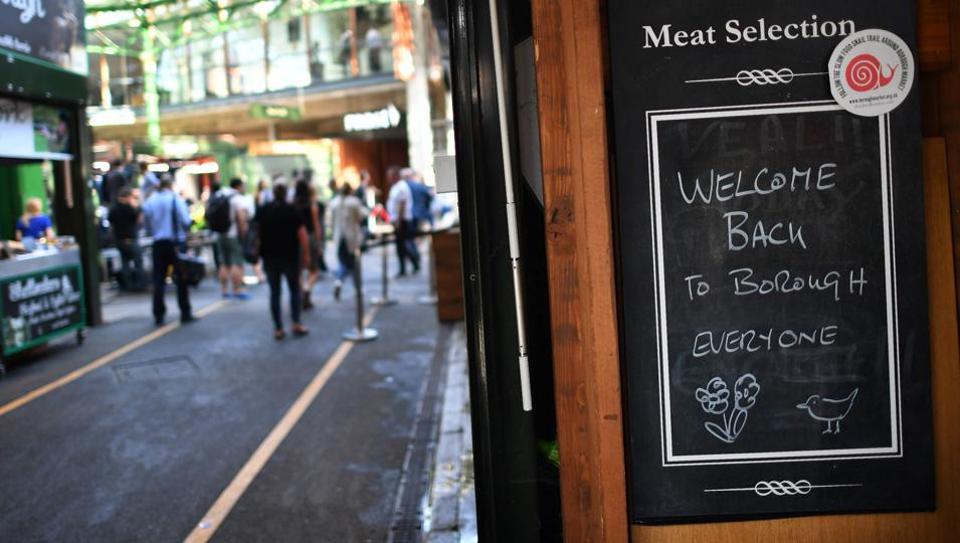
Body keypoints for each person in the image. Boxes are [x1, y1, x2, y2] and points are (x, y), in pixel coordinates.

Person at [258, 183, 310, 340]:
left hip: (269, 257)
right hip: (290, 256)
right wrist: (306, 254)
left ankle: (278, 328)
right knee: (294, 290)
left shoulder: (264, 210)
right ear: (286, 193)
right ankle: (296, 323)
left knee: (274, 293)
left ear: (273, 194)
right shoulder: (292, 209)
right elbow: (302, 234)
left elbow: (256, 232)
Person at [142, 177, 194, 326]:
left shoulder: (151, 201)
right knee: (181, 278)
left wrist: (154, 231)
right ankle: (185, 312)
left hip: (158, 243)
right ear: (171, 185)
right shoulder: (175, 199)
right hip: (176, 243)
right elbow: (185, 221)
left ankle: (158, 314)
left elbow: (146, 223)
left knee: (158, 279)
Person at [210, 178, 250, 300]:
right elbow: (242, 220)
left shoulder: (220, 195)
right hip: (232, 235)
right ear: (238, 186)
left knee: (223, 263)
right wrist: (244, 236)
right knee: (235, 263)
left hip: (219, 234)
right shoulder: (237, 198)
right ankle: (237, 290)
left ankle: (224, 290)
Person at [328, 183, 369, 301]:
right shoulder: (354, 202)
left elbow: (330, 222)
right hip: (352, 237)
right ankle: (357, 288)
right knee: (354, 263)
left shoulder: (334, 202)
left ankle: (339, 281)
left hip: (339, 237)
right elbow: (360, 217)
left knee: (343, 262)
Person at [293, 179, 323, 309]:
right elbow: (316, 226)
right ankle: (307, 288)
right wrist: (319, 242)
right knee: (314, 269)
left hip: (295, 238)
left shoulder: (292, 205)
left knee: (298, 270)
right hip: (310, 237)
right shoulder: (312, 205)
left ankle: (302, 292)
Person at [109, 188, 145, 292]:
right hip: (130, 239)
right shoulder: (130, 209)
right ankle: (139, 284)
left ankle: (128, 285)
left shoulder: (113, 209)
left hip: (119, 240)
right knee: (138, 261)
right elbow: (139, 220)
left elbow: (111, 225)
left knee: (125, 263)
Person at [387, 168, 421, 276]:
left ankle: (415, 263)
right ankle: (404, 268)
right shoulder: (395, 187)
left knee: (405, 244)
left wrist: (399, 220)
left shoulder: (401, 186)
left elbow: (402, 204)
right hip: (398, 220)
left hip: (403, 220)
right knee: (401, 246)